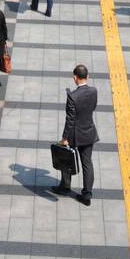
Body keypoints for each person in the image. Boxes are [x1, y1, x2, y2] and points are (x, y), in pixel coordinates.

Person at [55, 64, 99, 206]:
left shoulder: (72, 97)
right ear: (87, 76)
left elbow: (70, 120)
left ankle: (65, 186)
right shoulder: (94, 91)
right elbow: (93, 107)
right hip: (89, 132)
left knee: (66, 160)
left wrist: (64, 138)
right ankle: (87, 195)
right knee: (87, 163)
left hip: (75, 134)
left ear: (75, 78)